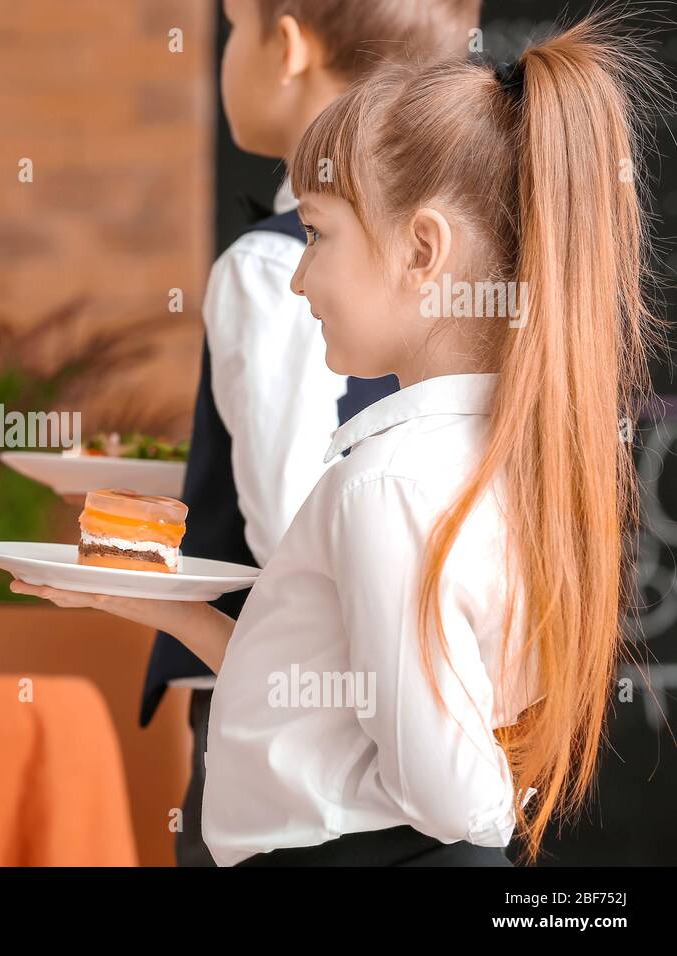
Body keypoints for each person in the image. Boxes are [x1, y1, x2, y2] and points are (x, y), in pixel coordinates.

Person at [17, 11, 661, 865]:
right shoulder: (486, 457)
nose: (297, 270)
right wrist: (179, 613)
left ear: (421, 250)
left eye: (317, 233)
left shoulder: (385, 485)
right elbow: (335, 695)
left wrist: (495, 808)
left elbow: (449, 791)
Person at [138, 0, 479, 865]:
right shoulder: (470, 280)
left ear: (285, 46)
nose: (304, 277)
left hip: (295, 752)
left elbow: (293, 531)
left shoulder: (261, 268)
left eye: (232, 26)